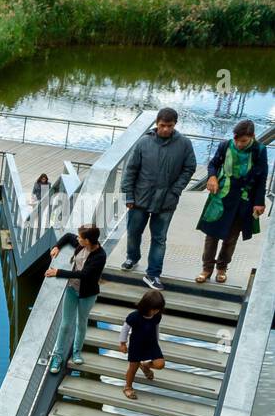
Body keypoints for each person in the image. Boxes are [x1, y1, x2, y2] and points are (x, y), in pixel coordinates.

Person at [120, 107, 197, 291]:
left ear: (175, 125)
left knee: (159, 238)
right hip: (140, 198)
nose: (165, 130)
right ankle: (132, 257)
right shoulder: (143, 143)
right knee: (133, 231)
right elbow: (130, 170)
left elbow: (189, 168)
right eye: (162, 125)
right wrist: (128, 195)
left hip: (166, 201)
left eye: (169, 126)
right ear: (156, 123)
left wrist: (175, 190)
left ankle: (153, 274)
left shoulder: (184, 144)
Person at [195, 118, 268, 285]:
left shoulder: (259, 150)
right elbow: (213, 164)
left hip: (243, 199)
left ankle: (222, 268)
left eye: (243, 141)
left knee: (231, 237)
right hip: (221, 196)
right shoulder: (226, 145)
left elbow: (262, 178)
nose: (239, 144)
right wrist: (212, 176)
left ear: (252, 137)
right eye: (237, 140)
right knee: (211, 235)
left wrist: (259, 202)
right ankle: (206, 268)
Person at [44, 224, 106, 373]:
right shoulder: (80, 244)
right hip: (72, 289)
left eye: (80, 238)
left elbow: (84, 274)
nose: (77, 239)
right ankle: (57, 356)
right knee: (65, 324)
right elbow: (67, 236)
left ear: (88, 241)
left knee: (81, 322)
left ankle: (77, 352)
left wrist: (58, 272)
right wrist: (57, 246)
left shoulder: (100, 256)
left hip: (88, 294)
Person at [119, 289, 166, 400]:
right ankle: (128, 387)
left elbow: (156, 327)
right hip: (137, 345)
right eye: (153, 309)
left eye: (158, 309)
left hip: (151, 343)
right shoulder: (134, 316)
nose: (155, 312)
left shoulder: (157, 316)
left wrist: (157, 340)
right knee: (133, 368)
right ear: (145, 306)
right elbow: (125, 329)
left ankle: (145, 365)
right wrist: (123, 343)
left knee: (160, 364)